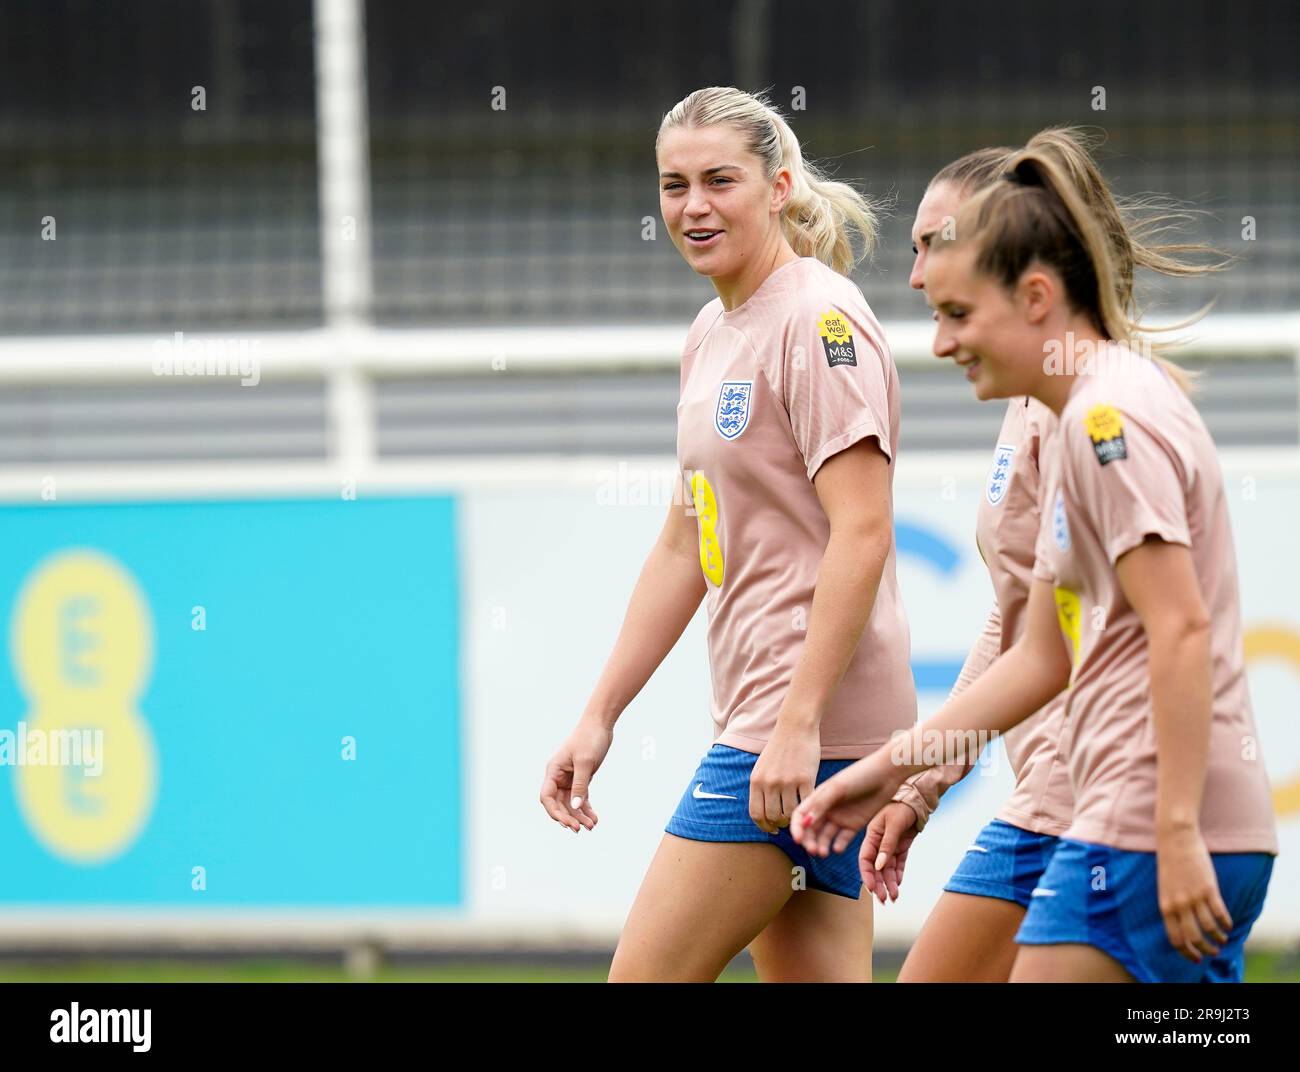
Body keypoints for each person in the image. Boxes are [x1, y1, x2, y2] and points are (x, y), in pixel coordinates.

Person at [792, 144, 1277, 983]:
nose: (938, 340)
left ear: (1036, 295)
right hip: (1139, 820)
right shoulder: (1076, 408)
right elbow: (1038, 651)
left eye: (958, 313)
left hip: (1137, 820)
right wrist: (890, 774)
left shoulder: (1101, 423)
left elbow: (1182, 627)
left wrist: (1172, 830)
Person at [539, 85, 915, 982]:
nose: (693, 207)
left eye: (719, 181)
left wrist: (796, 722)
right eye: (674, 186)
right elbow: (683, 545)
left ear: (779, 185)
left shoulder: (817, 321)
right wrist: (600, 715)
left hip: (796, 735)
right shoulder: (711, 331)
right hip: (790, 728)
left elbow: (862, 533)